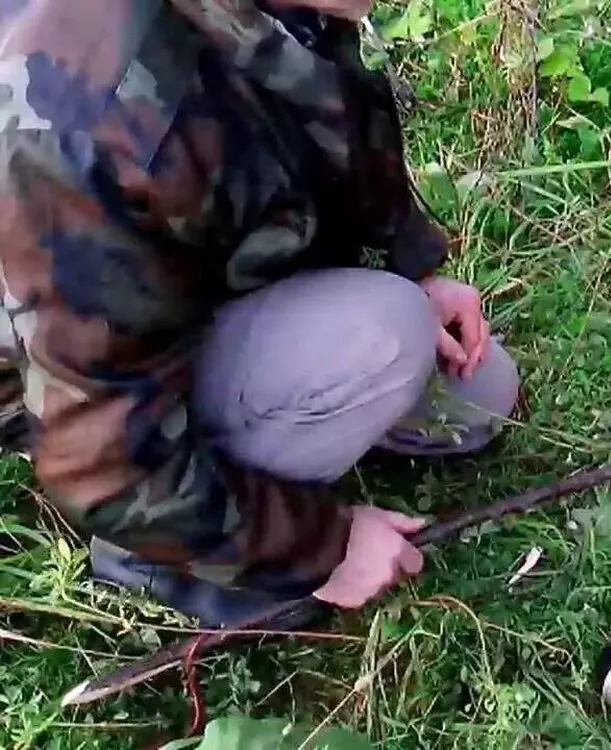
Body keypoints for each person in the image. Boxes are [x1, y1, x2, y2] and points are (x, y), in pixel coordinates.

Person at [0, 0, 520, 627]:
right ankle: (159, 557)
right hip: (78, 398)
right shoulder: (84, 120)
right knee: (385, 332)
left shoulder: (300, 9)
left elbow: (335, 111)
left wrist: (419, 263)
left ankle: (288, 434)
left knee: (476, 397)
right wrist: (323, 548)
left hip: (196, 289)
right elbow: (98, 461)